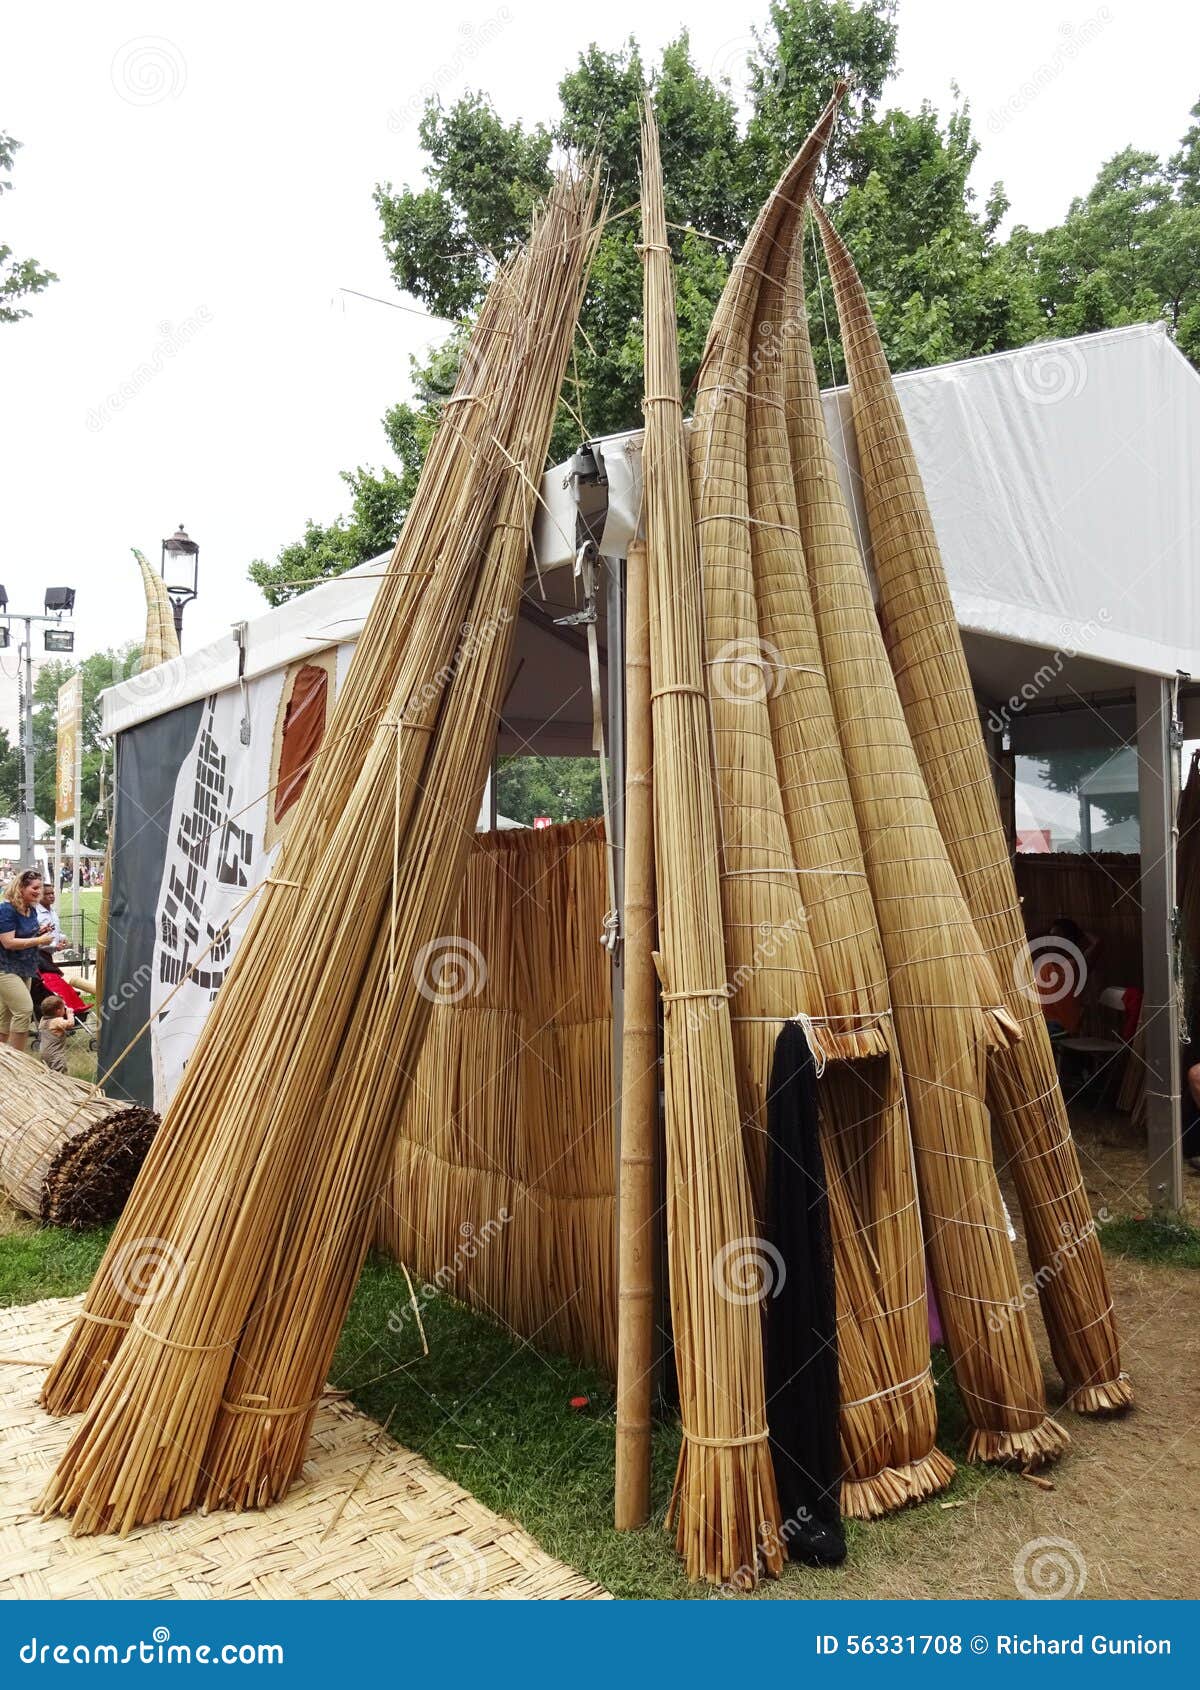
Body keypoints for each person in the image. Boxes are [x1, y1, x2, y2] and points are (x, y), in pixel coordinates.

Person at [0, 869, 48, 1053]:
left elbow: (25, 936)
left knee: (5, 1017)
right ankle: (17, 1060)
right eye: (34, 888)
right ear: (20, 887)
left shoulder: (31, 909)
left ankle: (3, 1060)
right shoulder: (6, 910)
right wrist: (39, 940)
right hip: (5, 968)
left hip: (25, 968)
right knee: (24, 1010)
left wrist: (40, 933)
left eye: (40, 888)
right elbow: (8, 942)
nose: (39, 892)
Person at [1033, 915, 1100, 1037]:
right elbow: (1028, 937)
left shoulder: (1076, 966)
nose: (1050, 939)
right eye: (1050, 936)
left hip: (1061, 1027)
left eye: (1056, 936)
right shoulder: (1044, 962)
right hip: (1041, 1022)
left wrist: (1079, 931)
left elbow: (1097, 943)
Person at [36, 992, 74, 1073]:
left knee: (47, 1073)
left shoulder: (42, 1020)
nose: (65, 1010)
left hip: (44, 1055)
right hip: (56, 1056)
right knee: (60, 1074)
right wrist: (70, 1014)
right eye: (64, 1008)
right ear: (58, 1011)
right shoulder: (56, 1021)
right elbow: (70, 1024)